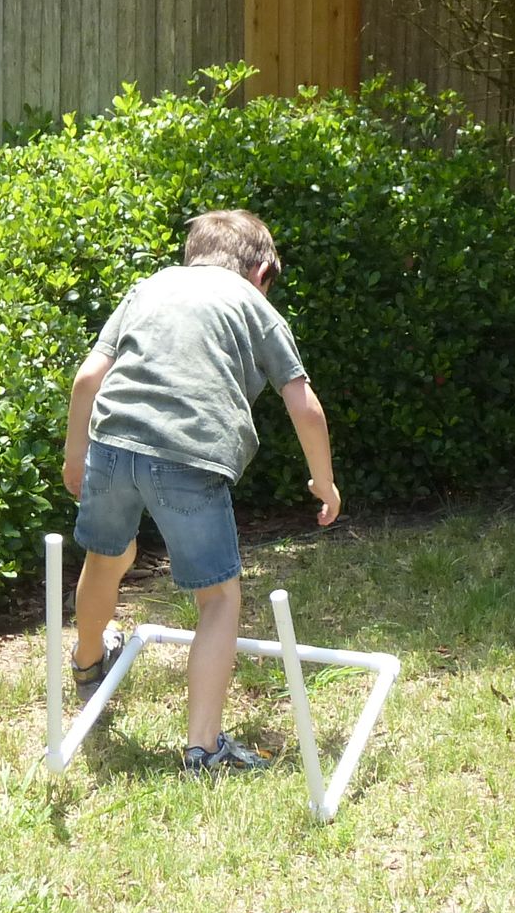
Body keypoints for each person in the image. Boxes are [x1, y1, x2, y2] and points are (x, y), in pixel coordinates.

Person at [61, 208, 341, 773]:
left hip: (111, 442)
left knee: (107, 558)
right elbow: (304, 406)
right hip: (190, 456)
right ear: (262, 272)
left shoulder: (149, 287)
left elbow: (89, 377)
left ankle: (88, 662)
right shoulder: (255, 305)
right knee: (218, 598)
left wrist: (75, 455)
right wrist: (324, 481)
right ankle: (204, 748)